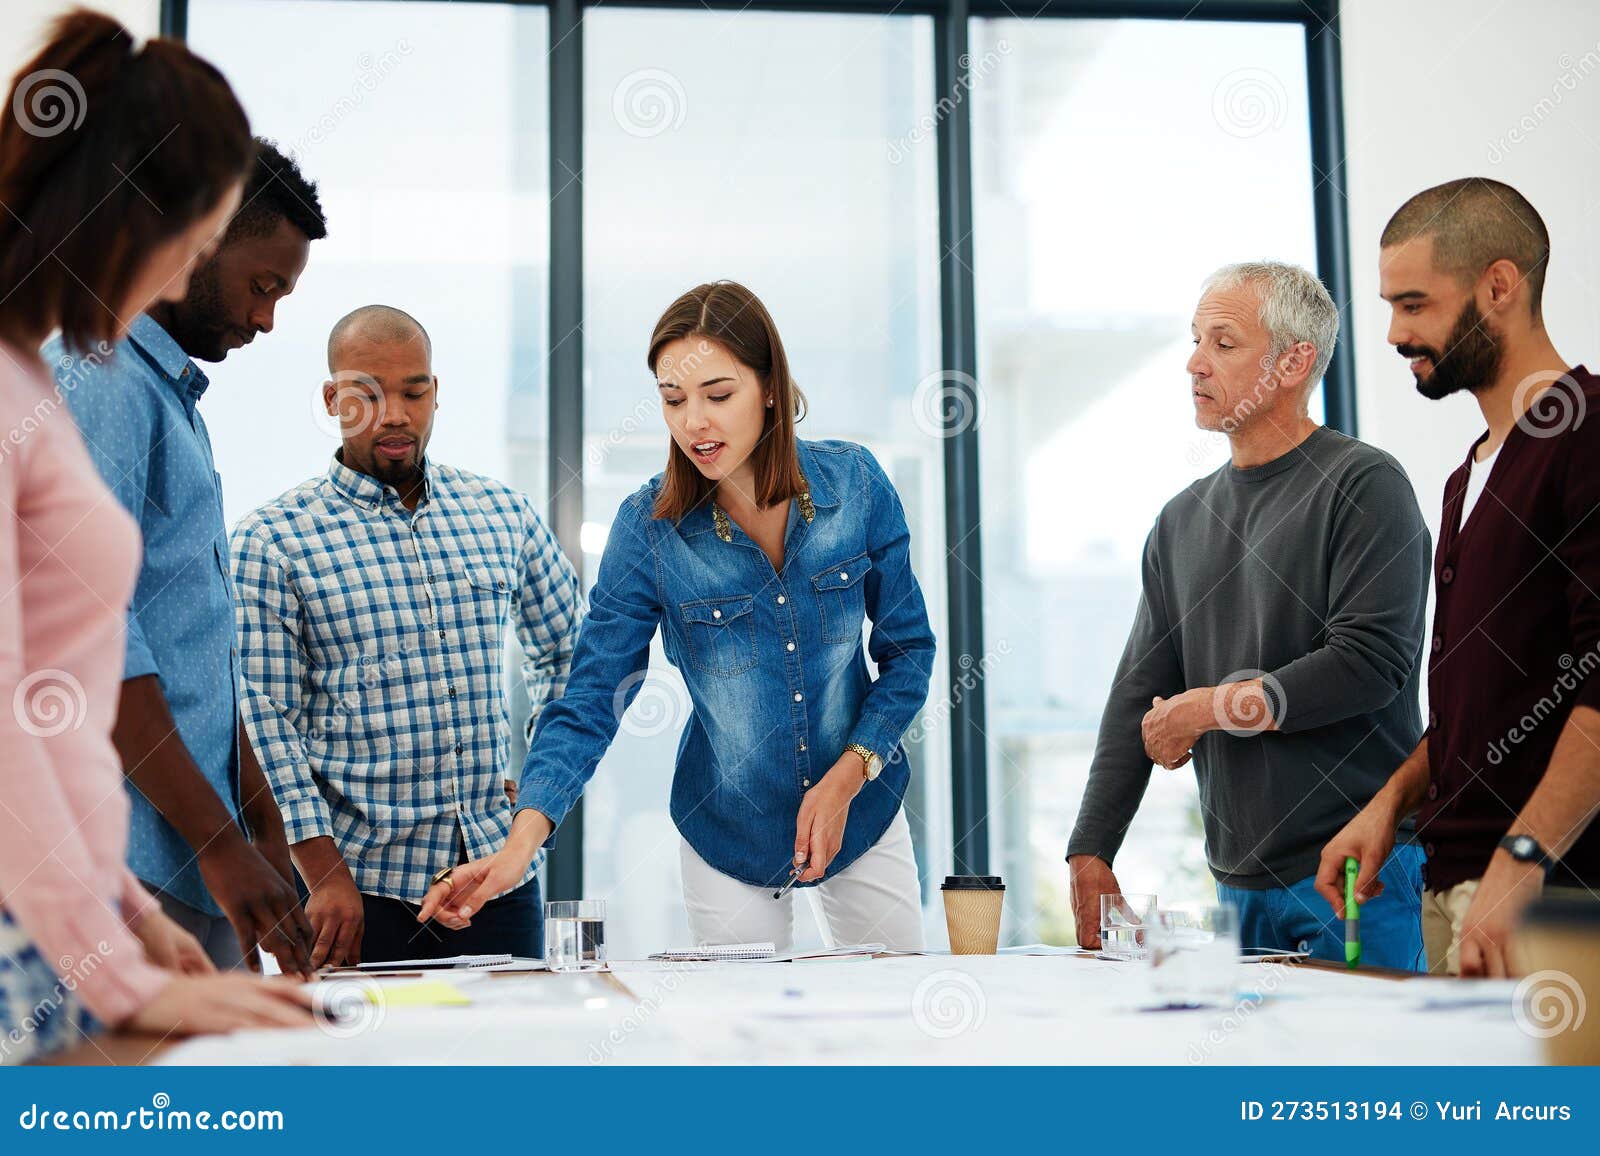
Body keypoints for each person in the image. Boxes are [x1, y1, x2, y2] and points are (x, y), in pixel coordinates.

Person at [420, 281, 936, 954]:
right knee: (740, 1044)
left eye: (718, 395)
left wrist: (849, 773)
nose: (693, 421)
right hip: (726, 828)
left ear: (771, 388)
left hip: (863, 808)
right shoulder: (648, 530)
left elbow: (911, 652)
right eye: (672, 399)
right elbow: (589, 699)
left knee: (892, 1024)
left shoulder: (857, 486)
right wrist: (519, 846)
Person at [0, 10, 312, 1062]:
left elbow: (58, 701)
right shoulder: (52, 390)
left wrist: (126, 914)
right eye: (199, 237)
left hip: (74, 905)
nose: (183, 278)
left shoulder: (39, 375)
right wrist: (111, 959)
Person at [1067, 261, 1432, 969]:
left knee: (1360, 1073)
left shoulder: (1364, 485)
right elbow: (1135, 695)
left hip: (1355, 874)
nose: (1195, 363)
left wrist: (1207, 709)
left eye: (1223, 344)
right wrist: (1090, 848)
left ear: (1294, 361)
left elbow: (1369, 664)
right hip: (1235, 882)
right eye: (1196, 340)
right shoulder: (1181, 520)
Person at [46, 139, 327, 976]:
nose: (267, 318)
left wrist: (258, 818)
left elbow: (194, 649)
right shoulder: (100, 377)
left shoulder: (168, 396)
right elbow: (99, 639)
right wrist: (223, 846)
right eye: (263, 284)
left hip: (192, 858)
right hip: (127, 863)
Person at [231, 305, 583, 965]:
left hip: (497, 891)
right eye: (367, 394)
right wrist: (322, 875)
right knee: (365, 1070)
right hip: (356, 899)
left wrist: (538, 783)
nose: (394, 413)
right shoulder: (272, 540)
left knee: (510, 1065)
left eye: (413, 392)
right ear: (334, 400)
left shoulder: (500, 513)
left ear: (435, 394)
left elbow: (574, 658)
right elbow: (264, 720)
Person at [1316, 179, 1600, 977]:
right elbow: (1485, 704)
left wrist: (1520, 859)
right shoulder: (1465, 477)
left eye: (1414, 304)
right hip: (1461, 889)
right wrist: (1390, 805)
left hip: (1551, 896)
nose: (1396, 333)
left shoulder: (1587, 435)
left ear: (1499, 286)